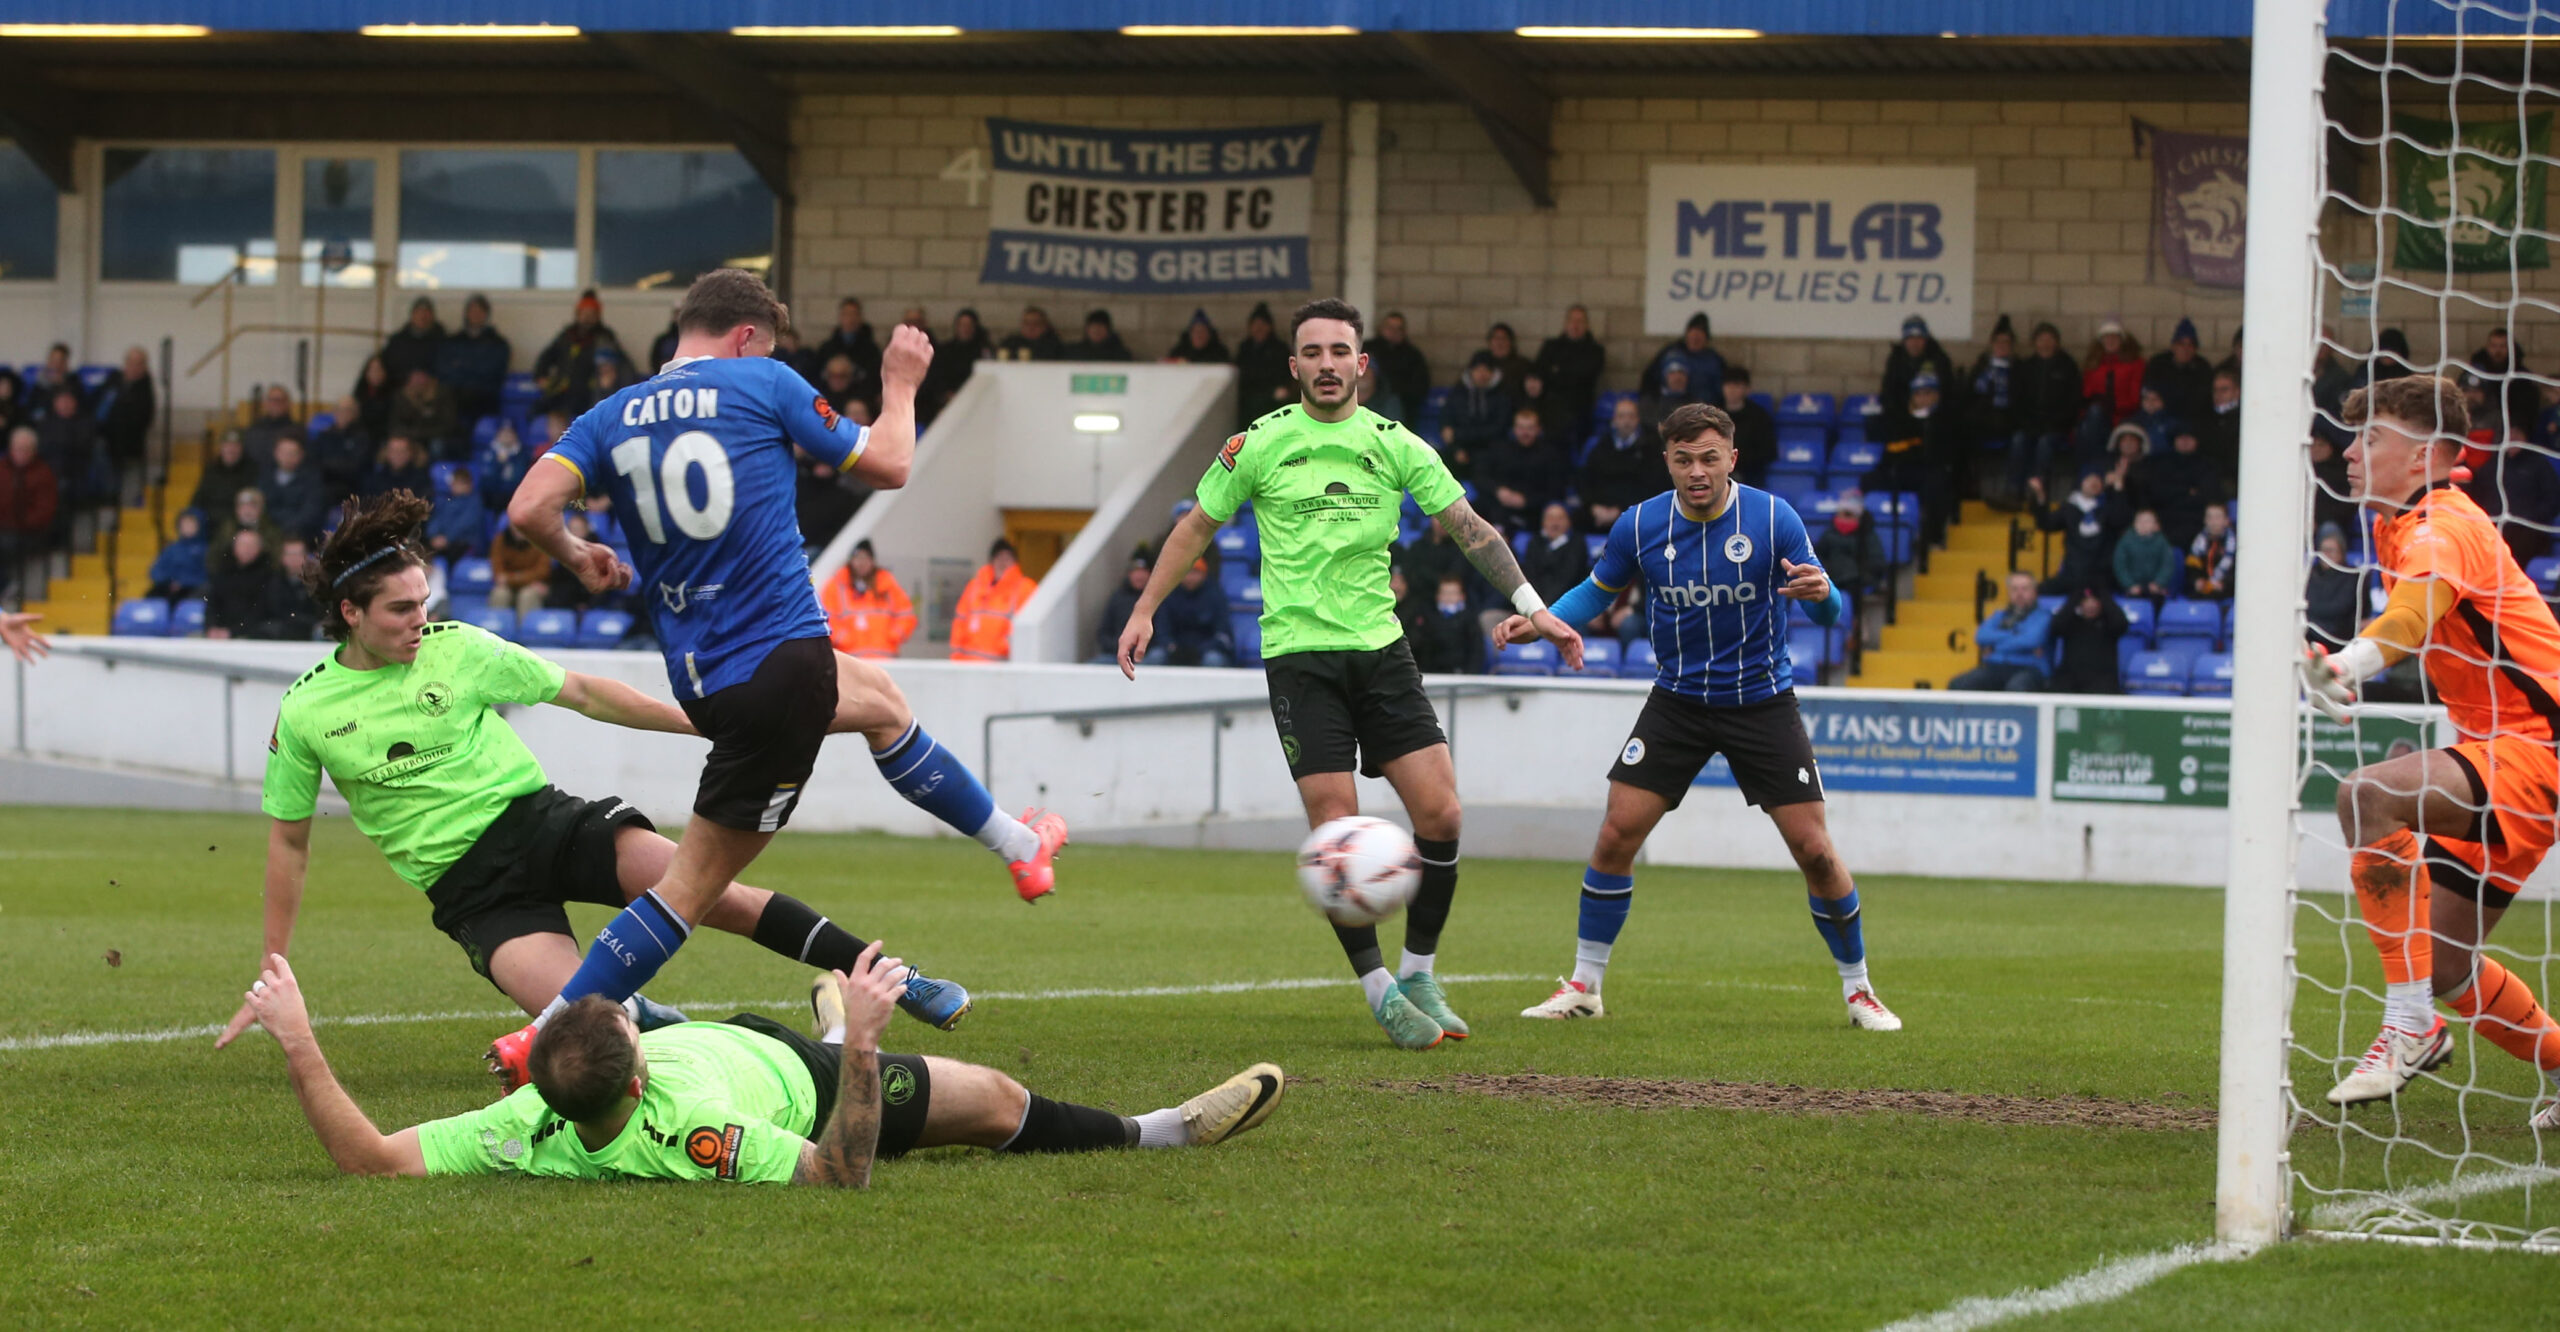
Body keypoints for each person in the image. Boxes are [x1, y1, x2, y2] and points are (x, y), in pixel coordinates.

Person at [502, 270, 1067, 1085]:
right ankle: (544, 1037)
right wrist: (901, 385)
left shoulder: (607, 414)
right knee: (688, 889)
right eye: (766, 343)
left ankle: (1019, 845)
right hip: (782, 663)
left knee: (880, 703)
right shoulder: (762, 379)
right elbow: (892, 461)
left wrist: (579, 553)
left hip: (709, 676)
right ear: (745, 336)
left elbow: (527, 509)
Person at [209, 493, 970, 1057]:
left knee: (716, 893)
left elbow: (584, 692)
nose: (419, 620)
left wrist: (698, 721)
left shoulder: (459, 646)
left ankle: (898, 978)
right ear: (350, 612)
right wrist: (275, 965)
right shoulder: (307, 710)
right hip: (474, 891)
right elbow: (290, 845)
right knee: (607, 1027)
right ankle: (804, 1047)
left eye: (423, 604)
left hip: (546, 823)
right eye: (401, 610)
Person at [1119, 297, 1584, 1050]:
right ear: (1294, 366)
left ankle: (1421, 973)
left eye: (1341, 351)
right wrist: (1145, 609)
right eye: (1313, 352)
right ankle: (1380, 993)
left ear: (1360, 364)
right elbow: (1196, 526)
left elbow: (1471, 529)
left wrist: (1538, 605)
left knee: (1443, 815)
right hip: (1300, 659)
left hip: (1381, 652)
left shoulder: (1396, 444)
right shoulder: (1259, 444)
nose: (1328, 364)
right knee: (1335, 834)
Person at [236, 945, 1285, 1186]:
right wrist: (866, 1054)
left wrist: (300, 1038)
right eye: (633, 1033)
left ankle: (831, 1019)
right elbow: (840, 1173)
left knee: (824, 1018)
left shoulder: (526, 1124)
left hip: (729, 1037)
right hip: (802, 1082)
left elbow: (372, 1158)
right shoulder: (701, 1138)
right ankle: (1161, 1129)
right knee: (997, 1101)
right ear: (638, 1079)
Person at [1504, 401, 1887, 1029]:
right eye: (1684, 460)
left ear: (1732, 459)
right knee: (1615, 833)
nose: (1697, 471)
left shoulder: (1772, 516)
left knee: (1815, 851)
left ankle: (1859, 990)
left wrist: (1826, 594)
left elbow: (1826, 610)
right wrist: (1542, 621)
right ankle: (1584, 986)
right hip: (1678, 701)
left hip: (1760, 701)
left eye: (1709, 458)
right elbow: (1597, 592)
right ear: (1668, 463)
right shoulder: (1640, 524)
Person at [2302, 374, 2560, 1128]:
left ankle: (2411, 1025)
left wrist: (2345, 665)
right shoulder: (2401, 522)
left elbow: (2411, 619)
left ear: (2422, 456)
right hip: (2501, 750)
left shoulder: (2444, 523)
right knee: (2445, 963)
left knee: (2364, 795)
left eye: (2369, 438)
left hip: (2536, 747)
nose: (2350, 454)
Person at [2011, 321, 2083, 501]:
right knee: (2018, 440)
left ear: (2056, 342)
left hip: (2056, 428)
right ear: (2035, 342)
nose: (2045, 343)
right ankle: (2013, 492)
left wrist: (2056, 423)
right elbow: (2017, 401)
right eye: (2041, 339)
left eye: (2049, 339)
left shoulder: (2068, 366)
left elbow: (2073, 402)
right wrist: (2027, 423)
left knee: (2045, 444)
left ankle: (2038, 494)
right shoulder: (2025, 367)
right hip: (2030, 425)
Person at [2028, 467, 2127, 596]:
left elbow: (2120, 519)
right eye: (2089, 480)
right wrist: (2040, 496)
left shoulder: (2107, 507)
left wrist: (2118, 488)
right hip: (2073, 573)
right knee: (2035, 593)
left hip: (2102, 575)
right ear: (2081, 483)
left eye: (2097, 481)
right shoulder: (2070, 508)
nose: (2093, 483)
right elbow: (2046, 524)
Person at [1951, 572, 2051, 692]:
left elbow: (2031, 640)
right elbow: (1981, 636)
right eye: (2014, 589)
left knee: (2016, 688)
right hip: (1995, 667)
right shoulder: (1999, 616)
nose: (2019, 594)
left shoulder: (2043, 616)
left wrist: (1995, 646)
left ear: (2034, 592)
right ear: (2009, 593)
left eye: (2025, 589)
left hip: (2028, 668)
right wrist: (2016, 634)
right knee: (1958, 684)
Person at [1578, 395, 1665, 531]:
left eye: (1631, 416)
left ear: (1638, 419)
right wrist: (1593, 506)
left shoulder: (1650, 449)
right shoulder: (1601, 447)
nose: (1626, 421)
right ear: (1614, 420)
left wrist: (1620, 510)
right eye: (1621, 416)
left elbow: (1652, 488)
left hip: (1634, 513)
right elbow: (1586, 480)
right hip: (1599, 512)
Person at [533, 290, 625, 416]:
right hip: (562, 395)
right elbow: (546, 358)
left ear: (598, 316)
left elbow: (620, 367)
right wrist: (541, 376)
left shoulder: (605, 338)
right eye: (584, 313)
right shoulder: (567, 336)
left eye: (591, 314)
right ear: (578, 314)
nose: (587, 318)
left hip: (591, 397)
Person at [1478, 408, 1569, 534]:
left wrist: (1526, 501)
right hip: (1498, 506)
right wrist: (1498, 490)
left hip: (1533, 513)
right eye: (1521, 428)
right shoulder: (1499, 449)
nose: (1525, 432)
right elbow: (1480, 476)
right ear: (1514, 429)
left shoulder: (1550, 455)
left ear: (1538, 429)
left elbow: (1556, 490)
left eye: (1530, 428)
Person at [821, 539, 915, 660]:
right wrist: (843, 638)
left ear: (872, 561)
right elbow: (827, 618)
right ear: (851, 560)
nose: (861, 563)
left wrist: (893, 636)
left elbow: (906, 615)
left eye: (866, 558)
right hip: (850, 660)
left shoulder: (887, 585)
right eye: (858, 558)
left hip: (885, 660)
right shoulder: (836, 586)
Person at [950, 538, 1037, 662]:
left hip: (1002, 669)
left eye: (1007, 558)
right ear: (992, 561)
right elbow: (960, 623)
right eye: (999, 558)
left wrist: (1005, 647)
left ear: (1015, 562)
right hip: (969, 668)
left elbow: (1028, 627)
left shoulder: (1025, 589)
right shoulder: (974, 587)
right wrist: (956, 660)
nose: (1003, 563)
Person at [0, 427, 58, 600]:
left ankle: (4, 584)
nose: (21, 454)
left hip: (26, 531)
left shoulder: (43, 474)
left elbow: (44, 510)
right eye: (17, 449)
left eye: (25, 449)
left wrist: (19, 522)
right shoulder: (1, 469)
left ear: (33, 451)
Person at [435, 293, 511, 426]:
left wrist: (461, 366)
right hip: (454, 398)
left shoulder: (498, 343)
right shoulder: (452, 341)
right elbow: (444, 370)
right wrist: (472, 368)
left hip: (485, 398)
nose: (475, 314)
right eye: (472, 311)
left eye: (480, 311)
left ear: (486, 314)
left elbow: (494, 371)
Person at [2078, 318, 2145, 463]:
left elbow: (2135, 398)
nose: (2110, 341)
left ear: (2122, 340)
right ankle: (2088, 474)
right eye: (2106, 337)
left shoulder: (2135, 364)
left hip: (2123, 416)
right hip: (2096, 417)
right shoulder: (2093, 363)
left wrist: (2112, 405)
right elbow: (2086, 394)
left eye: (2114, 337)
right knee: (2084, 428)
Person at [1535, 305, 1605, 437]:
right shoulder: (1550, 346)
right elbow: (1540, 372)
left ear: (1587, 325)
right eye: (1572, 320)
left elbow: (1584, 376)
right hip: (1550, 408)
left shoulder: (1595, 351)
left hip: (1580, 409)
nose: (1575, 325)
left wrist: (1557, 370)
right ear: (1565, 323)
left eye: (1580, 321)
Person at [96, 345, 156, 498]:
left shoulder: (145, 389)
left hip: (129, 452)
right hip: (105, 448)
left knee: (127, 497)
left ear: (145, 366)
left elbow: (143, 419)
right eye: (131, 362)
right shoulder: (113, 380)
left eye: (139, 363)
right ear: (125, 363)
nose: (134, 367)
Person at [1440, 351, 1512, 473]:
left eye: (1486, 370)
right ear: (1471, 371)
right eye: (1478, 370)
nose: (1482, 374)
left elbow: (1498, 429)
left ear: (1493, 373)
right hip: (1461, 449)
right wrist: (1457, 449)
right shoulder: (1458, 394)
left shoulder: (1502, 395)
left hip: (1490, 451)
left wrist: (1458, 434)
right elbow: (1446, 426)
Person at [1812, 489, 1888, 604]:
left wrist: (1862, 575)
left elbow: (1876, 561)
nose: (1845, 518)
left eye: (1849, 514)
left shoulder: (1867, 535)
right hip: (1831, 578)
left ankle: (1853, 619)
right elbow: (1818, 557)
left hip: (1856, 581)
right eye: (1842, 513)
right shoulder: (1828, 534)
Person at [2047, 587, 2129, 694]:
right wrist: (2075, 596)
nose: (2090, 606)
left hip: (2102, 681)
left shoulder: (2109, 624)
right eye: (2085, 601)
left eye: (2095, 601)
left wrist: (2103, 593)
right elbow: (2056, 627)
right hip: (2071, 680)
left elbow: (2121, 624)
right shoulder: (2071, 623)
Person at [1157, 558, 1235, 666]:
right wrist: (1172, 647)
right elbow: (1162, 630)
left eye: (1195, 572)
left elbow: (1222, 634)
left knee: (1213, 659)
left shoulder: (1215, 595)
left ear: (1204, 574)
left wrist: (1199, 650)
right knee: (1156, 656)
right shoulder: (1170, 595)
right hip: (1175, 650)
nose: (1190, 577)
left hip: (1206, 650)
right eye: (1186, 572)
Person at [919, 307, 991, 424]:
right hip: (947, 404)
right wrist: (946, 394)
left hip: (976, 405)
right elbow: (936, 377)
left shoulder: (983, 351)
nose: (965, 329)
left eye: (969, 325)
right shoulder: (945, 351)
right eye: (962, 325)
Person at [1361, 310, 1430, 428]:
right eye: (1389, 327)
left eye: (1398, 328)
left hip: (1400, 408)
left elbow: (1420, 387)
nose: (1393, 332)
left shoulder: (1412, 356)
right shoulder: (1368, 348)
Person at [204, 528, 277, 640]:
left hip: (253, 636)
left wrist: (233, 632)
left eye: (251, 545)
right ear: (234, 547)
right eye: (243, 544)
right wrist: (212, 627)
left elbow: (261, 612)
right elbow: (212, 605)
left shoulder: (269, 577)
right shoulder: (222, 573)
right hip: (220, 634)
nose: (247, 549)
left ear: (260, 548)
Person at [1405, 574, 1484, 674]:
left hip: (1461, 673)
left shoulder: (1470, 618)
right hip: (1432, 673)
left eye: (1453, 593)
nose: (1449, 597)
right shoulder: (1427, 618)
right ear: (1438, 596)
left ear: (1462, 596)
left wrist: (1470, 674)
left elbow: (1476, 649)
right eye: (1445, 593)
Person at [2144, 317, 2217, 426]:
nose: (2186, 349)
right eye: (2181, 344)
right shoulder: (2158, 363)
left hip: (2191, 421)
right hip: (2160, 417)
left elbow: (2202, 401)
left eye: (2190, 345)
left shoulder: (2203, 367)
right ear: (2173, 346)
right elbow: (2149, 391)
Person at [1881, 315, 1955, 420]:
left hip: (1934, 418)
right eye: (1910, 338)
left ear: (1926, 339)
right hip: (1903, 418)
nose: (1914, 343)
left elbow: (1948, 393)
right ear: (1904, 340)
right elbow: (1888, 393)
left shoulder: (1939, 359)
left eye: (1919, 338)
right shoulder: (1896, 360)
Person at [1235, 302, 1297, 429]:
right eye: (1255, 325)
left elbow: (1287, 377)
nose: (1259, 329)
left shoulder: (1280, 349)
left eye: (1262, 325)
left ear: (1269, 327)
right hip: (1249, 406)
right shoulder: (1244, 349)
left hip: (1273, 404)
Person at [2305, 523, 2366, 650]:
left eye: (2331, 550)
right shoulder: (2310, 575)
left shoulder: (2353, 576)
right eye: (2324, 550)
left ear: (2341, 551)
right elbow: (2309, 605)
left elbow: (2342, 608)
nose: (2327, 555)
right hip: (2310, 638)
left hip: (2342, 640)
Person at [1639, 312, 1723, 403]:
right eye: (1692, 336)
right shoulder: (1671, 353)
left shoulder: (1713, 360)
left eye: (1698, 338)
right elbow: (1650, 379)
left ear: (1706, 339)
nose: (1695, 340)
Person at [1094, 553, 1160, 665]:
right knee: (1097, 664)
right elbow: (1103, 633)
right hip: (1117, 654)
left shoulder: (1157, 599)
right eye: (1136, 571)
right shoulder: (1117, 598)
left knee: (1157, 656)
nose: (1139, 576)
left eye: (1143, 571)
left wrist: (1139, 649)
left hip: (1146, 654)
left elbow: (1162, 634)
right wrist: (1121, 648)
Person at [1519, 502, 1590, 606]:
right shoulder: (1534, 542)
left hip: (1566, 604)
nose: (1554, 523)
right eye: (1550, 518)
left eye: (1560, 518)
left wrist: (1548, 602)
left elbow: (1569, 577)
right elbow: (1530, 574)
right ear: (1543, 522)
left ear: (1569, 521)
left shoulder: (1577, 543)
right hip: (1534, 603)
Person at [811, 297, 882, 400]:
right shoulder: (827, 348)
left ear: (860, 317)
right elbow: (817, 376)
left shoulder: (871, 350)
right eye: (846, 314)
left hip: (860, 401)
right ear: (840, 317)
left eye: (854, 314)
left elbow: (874, 380)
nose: (850, 319)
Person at [1718, 365, 1777, 486]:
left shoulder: (1759, 416)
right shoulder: (1713, 415)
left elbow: (1768, 451)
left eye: (1737, 385)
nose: (1731, 389)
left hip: (1750, 476)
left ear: (1747, 389)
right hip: (1718, 472)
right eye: (1728, 385)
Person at [262, 437, 327, 542]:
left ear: (301, 455)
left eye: (292, 453)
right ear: (275, 453)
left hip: (302, 535)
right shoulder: (265, 476)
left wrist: (288, 527)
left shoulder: (313, 479)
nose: (287, 457)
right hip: (269, 532)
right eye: (283, 452)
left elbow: (312, 512)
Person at [2112, 508, 2182, 604]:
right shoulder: (2125, 541)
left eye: (2148, 521)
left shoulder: (2162, 542)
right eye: (2140, 521)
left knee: (2159, 601)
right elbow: (2120, 566)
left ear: (2155, 525)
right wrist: (2130, 585)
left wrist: (2158, 583)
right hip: (2132, 588)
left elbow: (2167, 565)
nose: (2143, 524)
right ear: (2134, 523)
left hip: (2155, 587)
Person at [390, 369, 458, 459]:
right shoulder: (402, 397)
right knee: (397, 445)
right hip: (411, 436)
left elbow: (448, 425)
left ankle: (435, 469)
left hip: (435, 436)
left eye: (421, 376)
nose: (418, 381)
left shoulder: (441, 395)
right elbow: (395, 424)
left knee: (437, 445)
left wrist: (429, 402)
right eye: (415, 377)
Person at [147, 507, 211, 601]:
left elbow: (207, 575)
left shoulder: (206, 550)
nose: (187, 526)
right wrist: (170, 582)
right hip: (169, 589)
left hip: (192, 590)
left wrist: (183, 583)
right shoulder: (172, 548)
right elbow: (155, 571)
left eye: (191, 523)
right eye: (184, 523)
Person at [425, 465, 485, 562]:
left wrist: (447, 538)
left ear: (469, 484)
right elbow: (437, 519)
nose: (454, 486)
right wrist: (433, 535)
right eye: (454, 483)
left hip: (464, 543)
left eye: (459, 483)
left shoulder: (474, 502)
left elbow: (464, 524)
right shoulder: (447, 501)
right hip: (442, 543)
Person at [380, 296, 445, 386]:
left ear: (432, 316)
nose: (423, 316)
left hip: (433, 390)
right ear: (412, 315)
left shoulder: (443, 341)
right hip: (402, 388)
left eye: (427, 312)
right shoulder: (398, 341)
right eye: (419, 312)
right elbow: (387, 366)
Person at [491, 524, 552, 616]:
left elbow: (542, 572)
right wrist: (521, 578)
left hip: (532, 587)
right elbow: (499, 574)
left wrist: (510, 578)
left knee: (527, 595)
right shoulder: (500, 540)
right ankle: (497, 628)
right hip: (511, 586)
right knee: (499, 594)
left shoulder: (541, 541)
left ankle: (526, 629)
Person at [2184, 503, 2236, 602]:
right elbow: (2191, 568)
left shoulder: (2236, 543)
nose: (2213, 522)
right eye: (2209, 517)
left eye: (2217, 517)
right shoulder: (2198, 543)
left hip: (2226, 592)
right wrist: (2196, 581)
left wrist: (2223, 584)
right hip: (2202, 592)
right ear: (2205, 520)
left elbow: (2237, 572)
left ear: (2226, 521)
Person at [361, 436, 433, 503]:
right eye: (393, 451)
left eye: (402, 451)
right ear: (386, 453)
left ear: (410, 453)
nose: (397, 455)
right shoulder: (375, 479)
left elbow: (425, 503)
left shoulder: (421, 479)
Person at [1637, 360, 1699, 433]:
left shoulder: (1695, 404)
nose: (1677, 377)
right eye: (1672, 373)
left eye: (1681, 372)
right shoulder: (1651, 401)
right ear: (1664, 376)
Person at [351, 355, 396, 442]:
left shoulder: (393, 394)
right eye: (372, 370)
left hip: (384, 436)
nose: (375, 374)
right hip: (361, 435)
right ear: (366, 372)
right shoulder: (360, 391)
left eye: (378, 370)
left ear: (385, 372)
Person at [998, 306, 1062, 361]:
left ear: (1044, 326)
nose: (1031, 327)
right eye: (1027, 323)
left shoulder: (1054, 346)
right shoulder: (1010, 343)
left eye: (1036, 323)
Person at [1483, 322, 1534, 391]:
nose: (1499, 342)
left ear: (1510, 342)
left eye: (1504, 338)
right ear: (1490, 342)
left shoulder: (1523, 365)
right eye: (1496, 338)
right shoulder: (1482, 362)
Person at [1066, 309, 1133, 362]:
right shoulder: (1075, 352)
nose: (1097, 332)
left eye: (1101, 328)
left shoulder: (1120, 355)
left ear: (1108, 331)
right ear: (1087, 330)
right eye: (1093, 328)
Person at [1165, 309, 1229, 365]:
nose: (1199, 335)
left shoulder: (1220, 353)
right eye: (1195, 331)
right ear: (1190, 334)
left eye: (1203, 331)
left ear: (1209, 334)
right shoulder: (1179, 352)